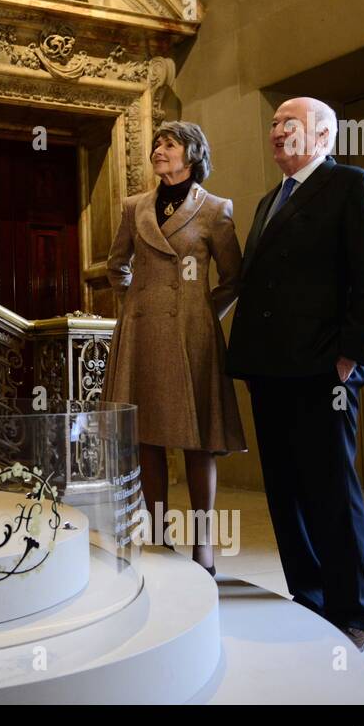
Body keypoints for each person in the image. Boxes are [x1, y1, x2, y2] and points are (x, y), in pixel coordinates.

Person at [225, 97, 364, 653]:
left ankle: (352, 612)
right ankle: (310, 596)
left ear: (322, 136)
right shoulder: (268, 201)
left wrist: (352, 355)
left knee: (330, 491)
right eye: (272, 123)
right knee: (285, 491)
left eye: (288, 123)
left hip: (325, 368)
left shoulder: (352, 185)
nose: (275, 131)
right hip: (270, 371)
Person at [102, 120, 246, 574]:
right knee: (147, 438)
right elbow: (116, 264)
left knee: (198, 440)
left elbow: (234, 278)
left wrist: (201, 311)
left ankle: (203, 543)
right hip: (143, 334)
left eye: (169, 145)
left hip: (192, 335)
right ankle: (160, 535)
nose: (159, 150)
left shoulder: (215, 209)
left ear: (192, 154)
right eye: (157, 144)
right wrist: (134, 303)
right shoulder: (134, 206)